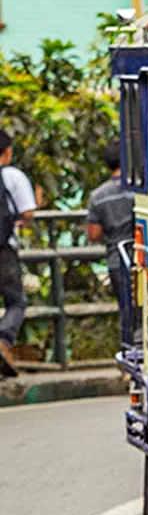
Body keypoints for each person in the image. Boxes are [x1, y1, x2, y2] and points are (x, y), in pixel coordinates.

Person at [85, 139, 138, 349]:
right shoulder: (140, 191)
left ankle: (129, 350)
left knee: (126, 310)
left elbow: (94, 234)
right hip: (143, 256)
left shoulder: (98, 196)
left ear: (107, 165)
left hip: (118, 260)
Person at [0, 128, 37, 378]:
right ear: (8, 152)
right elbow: (28, 212)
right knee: (16, 302)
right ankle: (3, 341)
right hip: (4, 249)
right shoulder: (13, 176)